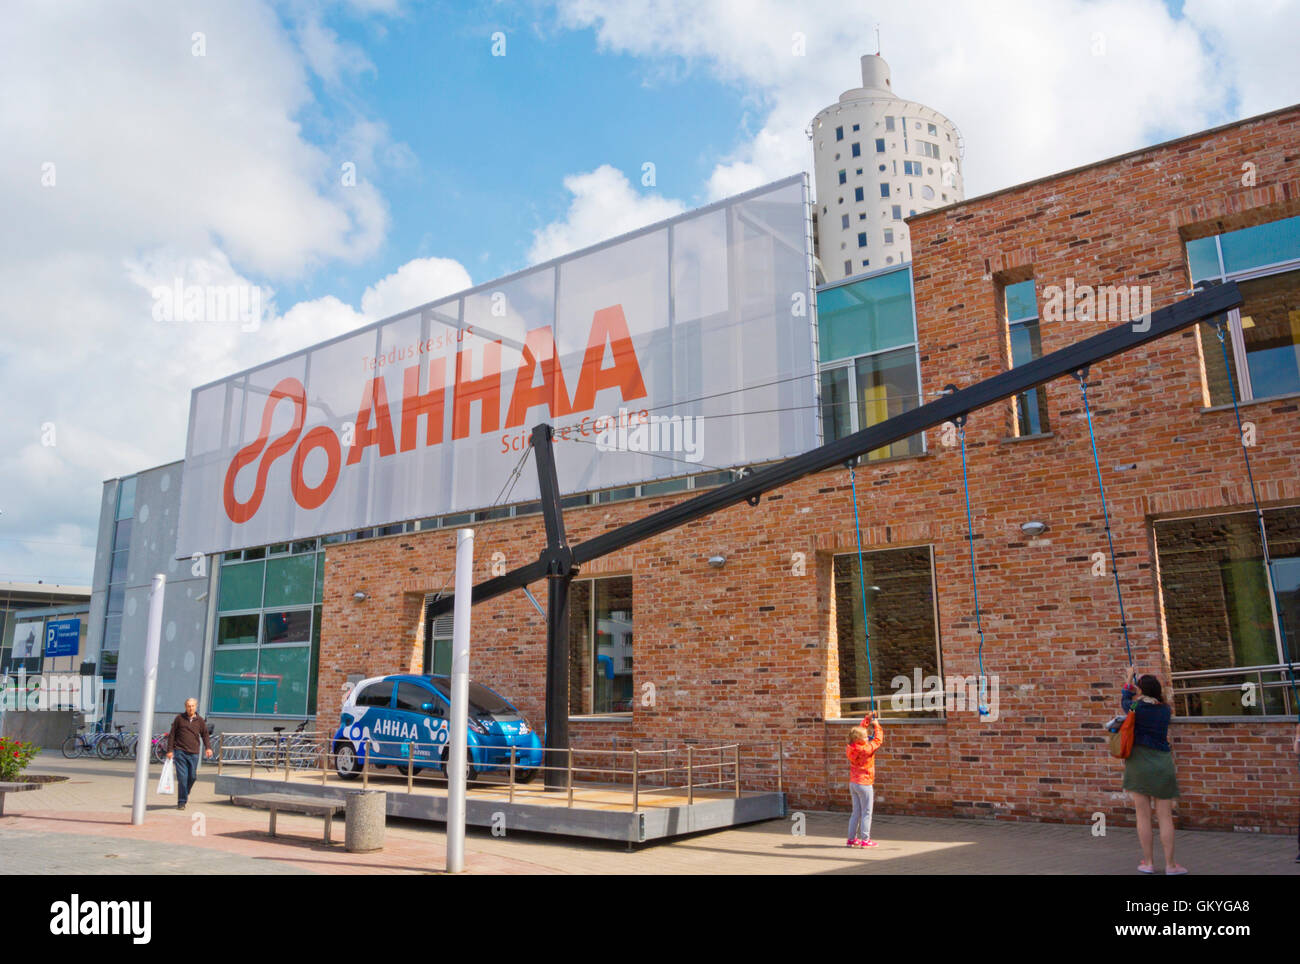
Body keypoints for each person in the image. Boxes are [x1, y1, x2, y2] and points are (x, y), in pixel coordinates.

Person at [1120, 671, 1185, 875]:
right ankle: (1171, 865)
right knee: (1165, 816)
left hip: (1138, 762)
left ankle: (1148, 863)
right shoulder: (1165, 710)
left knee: (1143, 815)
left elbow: (1124, 697)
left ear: (1141, 691)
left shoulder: (1135, 707)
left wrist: (1129, 678)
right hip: (1161, 763)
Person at [845, 712, 884, 848]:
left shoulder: (851, 747)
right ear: (860, 740)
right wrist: (877, 726)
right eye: (865, 737)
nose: (868, 737)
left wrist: (867, 720)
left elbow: (859, 731)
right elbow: (878, 741)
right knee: (867, 812)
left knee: (856, 812)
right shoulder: (866, 749)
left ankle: (851, 839)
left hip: (854, 783)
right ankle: (865, 840)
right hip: (865, 783)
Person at [166, 698, 212, 811]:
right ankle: (181, 802)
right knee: (182, 778)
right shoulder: (179, 719)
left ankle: (185, 792)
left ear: (196, 707)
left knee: (192, 777)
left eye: (192, 706)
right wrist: (170, 750)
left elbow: (205, 735)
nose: (190, 708)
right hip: (180, 751)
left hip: (194, 753)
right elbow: (172, 735)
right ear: (185, 707)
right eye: (188, 706)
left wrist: (208, 748)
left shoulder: (200, 721)